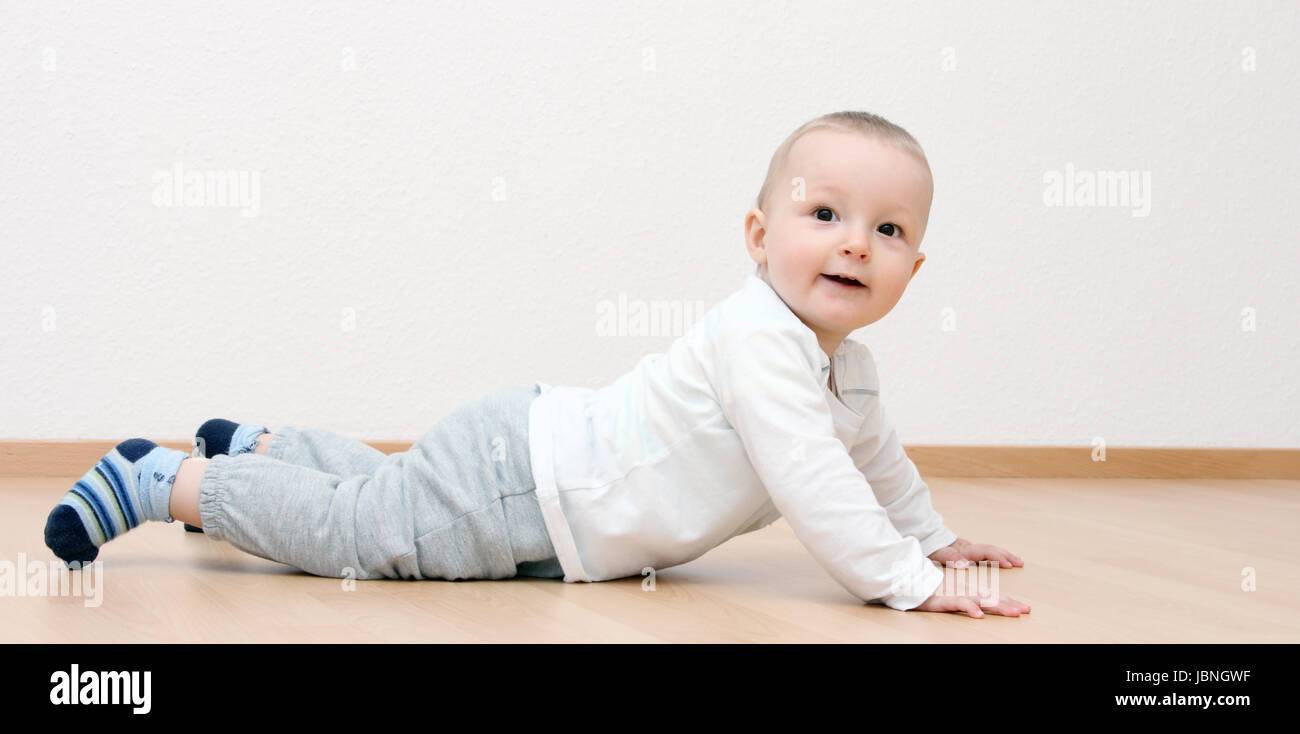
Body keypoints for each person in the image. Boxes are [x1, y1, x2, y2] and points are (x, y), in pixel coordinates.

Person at [44, 110, 1029, 619]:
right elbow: (815, 481)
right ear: (758, 234)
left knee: (393, 491)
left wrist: (931, 536)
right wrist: (905, 580)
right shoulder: (761, 342)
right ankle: (164, 479)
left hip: (539, 473)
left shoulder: (843, 373)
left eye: (888, 228)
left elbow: (873, 461)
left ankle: (257, 444)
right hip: (529, 481)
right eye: (826, 215)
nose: (856, 242)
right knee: (368, 530)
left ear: (915, 264)